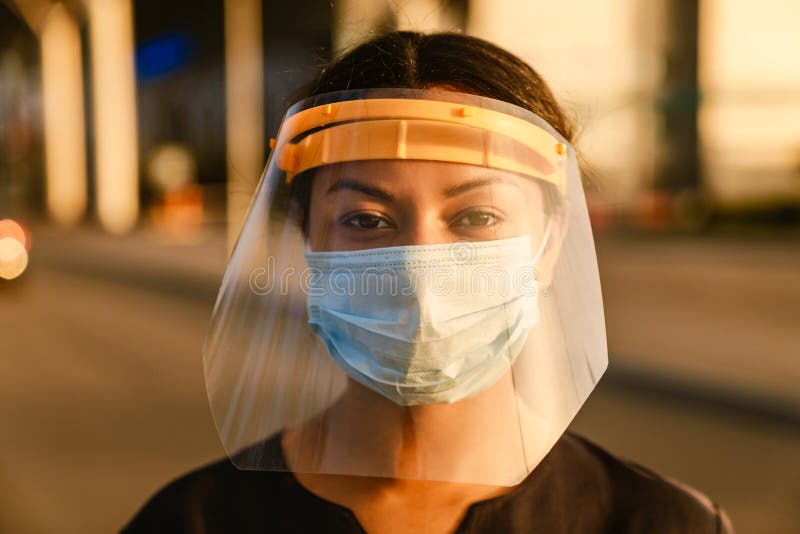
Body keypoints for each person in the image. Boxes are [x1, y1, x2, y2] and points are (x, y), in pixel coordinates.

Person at [122, 31, 733, 533]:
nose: (420, 268)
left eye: (475, 216)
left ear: (551, 241)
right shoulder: (194, 523)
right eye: (366, 220)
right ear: (308, 238)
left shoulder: (662, 525)